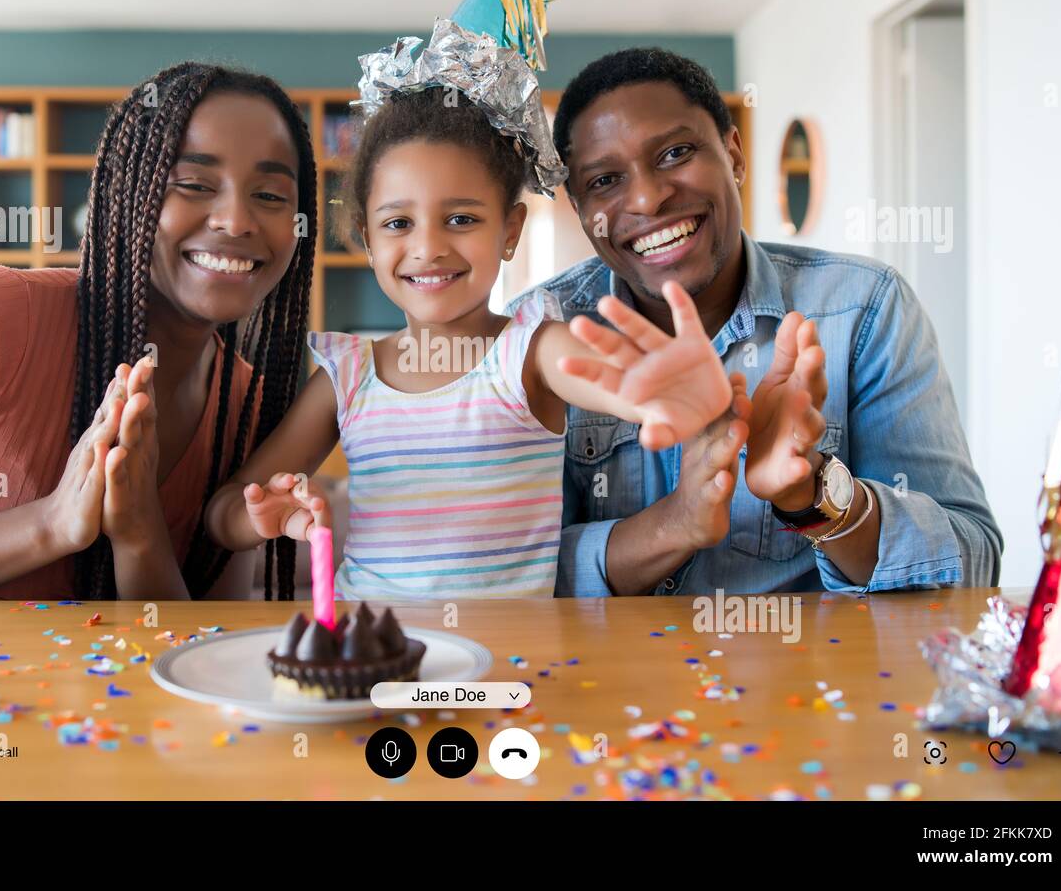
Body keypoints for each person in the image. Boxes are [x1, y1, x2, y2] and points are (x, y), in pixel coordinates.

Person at [0, 63, 316, 600]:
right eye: (192, 184)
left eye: (271, 196)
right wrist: (48, 525)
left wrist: (140, 536)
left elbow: (197, 648)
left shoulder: (246, 407)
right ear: (126, 195)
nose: (236, 220)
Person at [203, 85, 735, 599]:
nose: (428, 247)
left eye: (461, 219)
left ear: (509, 231)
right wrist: (254, 515)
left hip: (504, 671)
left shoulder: (531, 350)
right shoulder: (346, 376)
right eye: (398, 223)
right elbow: (223, 512)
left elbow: (615, 384)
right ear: (366, 237)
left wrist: (664, 392)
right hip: (373, 666)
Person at [527, 47, 1002, 596]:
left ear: (734, 155)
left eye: (675, 153)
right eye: (604, 181)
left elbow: (974, 564)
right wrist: (673, 525)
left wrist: (811, 492)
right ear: (582, 211)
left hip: (811, 677)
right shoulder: (539, 334)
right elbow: (508, 573)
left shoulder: (866, 309)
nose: (648, 197)